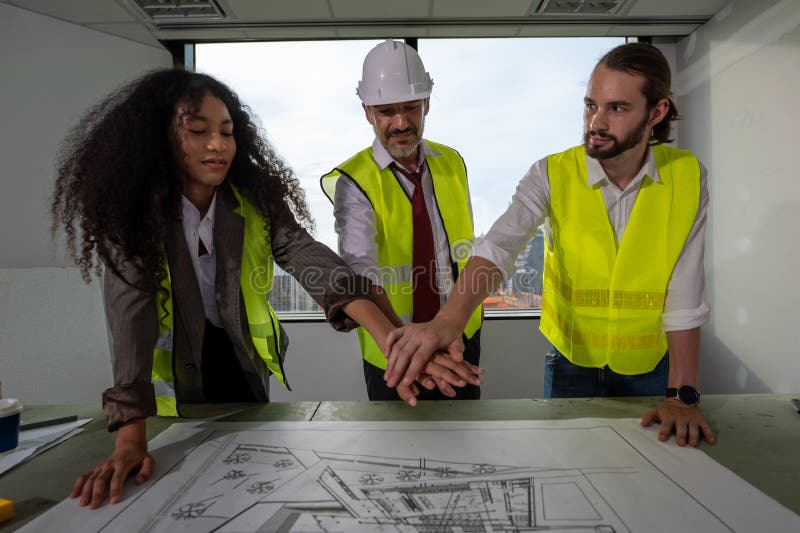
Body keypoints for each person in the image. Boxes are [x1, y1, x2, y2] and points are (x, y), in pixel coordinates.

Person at [51, 68, 479, 508]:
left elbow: (314, 264)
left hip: (242, 368)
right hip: (168, 394)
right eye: (198, 131)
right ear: (158, 140)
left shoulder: (252, 200)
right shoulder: (133, 216)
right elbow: (130, 319)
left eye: (226, 132)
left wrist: (390, 339)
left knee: (239, 489)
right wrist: (129, 439)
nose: (217, 145)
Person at [383, 42, 716, 447]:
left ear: (657, 112)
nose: (596, 121)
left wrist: (681, 394)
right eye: (591, 105)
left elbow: (685, 293)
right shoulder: (552, 173)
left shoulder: (686, 178)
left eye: (617, 108)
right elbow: (498, 247)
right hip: (570, 365)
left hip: (651, 367)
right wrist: (448, 320)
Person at [321, 39, 484, 403]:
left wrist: (450, 326)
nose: (401, 123)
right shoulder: (355, 180)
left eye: (411, 107)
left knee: (467, 445)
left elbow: (462, 249)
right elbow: (360, 270)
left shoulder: (452, 162)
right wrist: (406, 345)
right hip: (392, 347)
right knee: (395, 452)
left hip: (459, 338)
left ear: (427, 103)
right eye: (386, 111)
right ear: (367, 111)